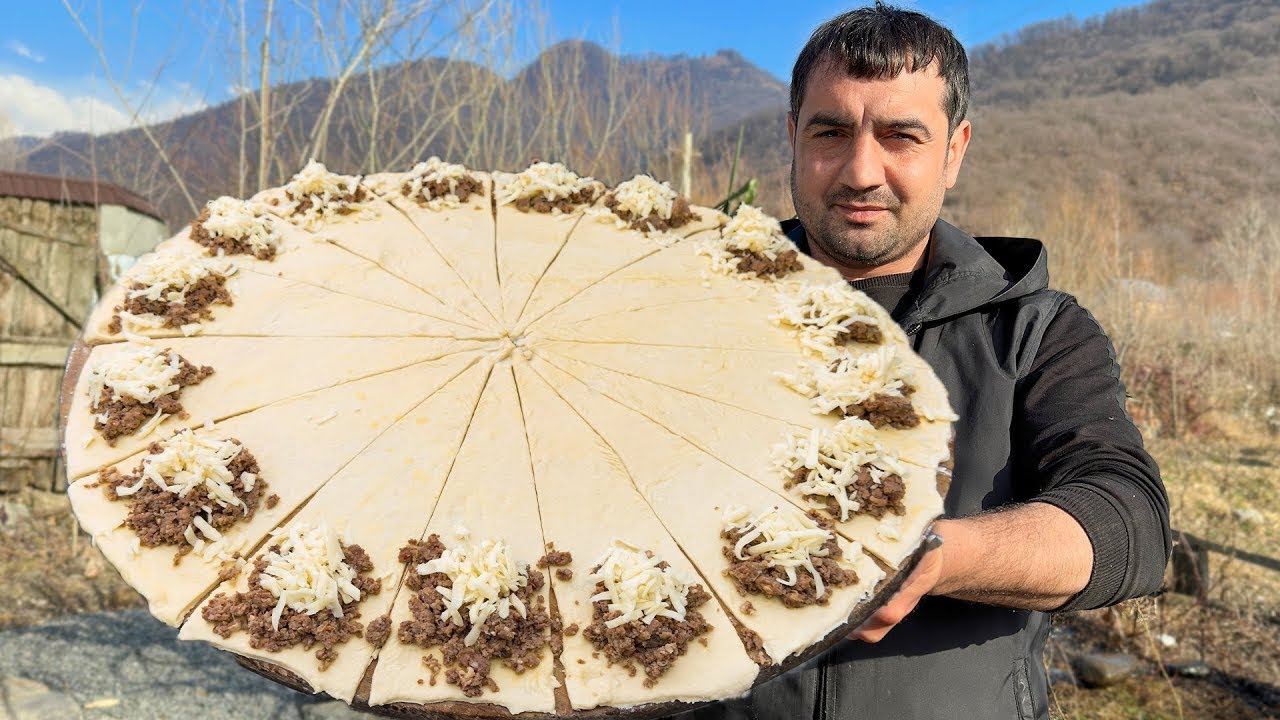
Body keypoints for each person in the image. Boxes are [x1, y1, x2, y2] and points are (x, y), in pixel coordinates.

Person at [679, 4, 1171, 719]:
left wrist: (934, 554)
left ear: (954, 149)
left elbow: (1130, 522)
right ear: (792, 136)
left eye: (900, 136)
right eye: (830, 132)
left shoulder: (1034, 333)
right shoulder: (689, 312)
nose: (860, 170)